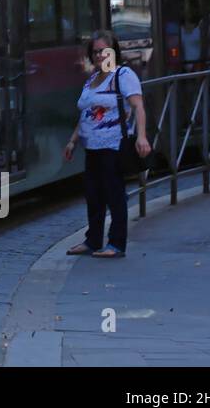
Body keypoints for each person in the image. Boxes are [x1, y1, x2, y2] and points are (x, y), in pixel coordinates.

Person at [63, 30, 150, 258]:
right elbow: (85, 115)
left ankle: (116, 244)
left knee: (114, 194)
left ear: (114, 51)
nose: (99, 55)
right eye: (95, 52)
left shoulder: (123, 75)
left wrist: (141, 136)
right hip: (92, 147)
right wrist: (73, 141)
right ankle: (92, 240)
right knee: (93, 195)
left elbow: (138, 106)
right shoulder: (92, 79)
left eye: (104, 51)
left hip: (114, 145)